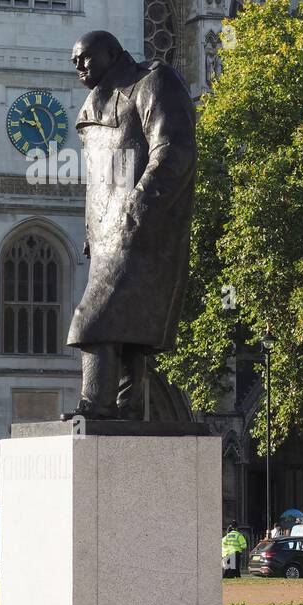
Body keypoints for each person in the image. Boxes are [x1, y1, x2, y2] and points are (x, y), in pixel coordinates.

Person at [61, 30, 196, 420]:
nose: (80, 66)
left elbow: (174, 150)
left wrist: (139, 206)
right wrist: (93, 232)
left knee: (95, 319)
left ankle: (96, 405)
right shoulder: (92, 108)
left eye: (85, 57)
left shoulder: (152, 81)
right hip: (107, 232)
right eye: (75, 62)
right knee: (128, 328)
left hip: (145, 227)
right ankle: (128, 407)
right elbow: (100, 181)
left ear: (112, 53)